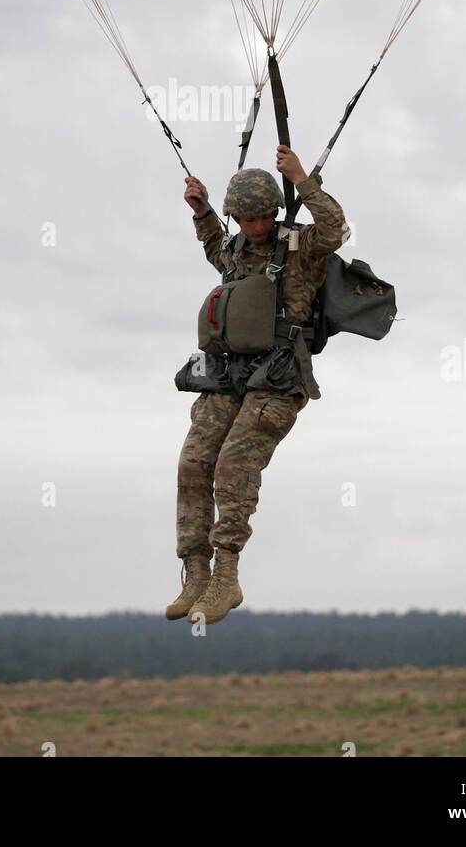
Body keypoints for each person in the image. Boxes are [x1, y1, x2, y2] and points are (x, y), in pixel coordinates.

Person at [165, 145, 349, 626]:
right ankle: (197, 573)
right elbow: (213, 247)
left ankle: (227, 575)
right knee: (194, 462)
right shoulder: (235, 249)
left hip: (279, 378)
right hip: (230, 374)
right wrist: (203, 212)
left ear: (273, 211)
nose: (254, 228)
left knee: (232, 464)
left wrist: (304, 180)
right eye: (244, 220)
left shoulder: (300, 246)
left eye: (262, 218)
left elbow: (336, 228)